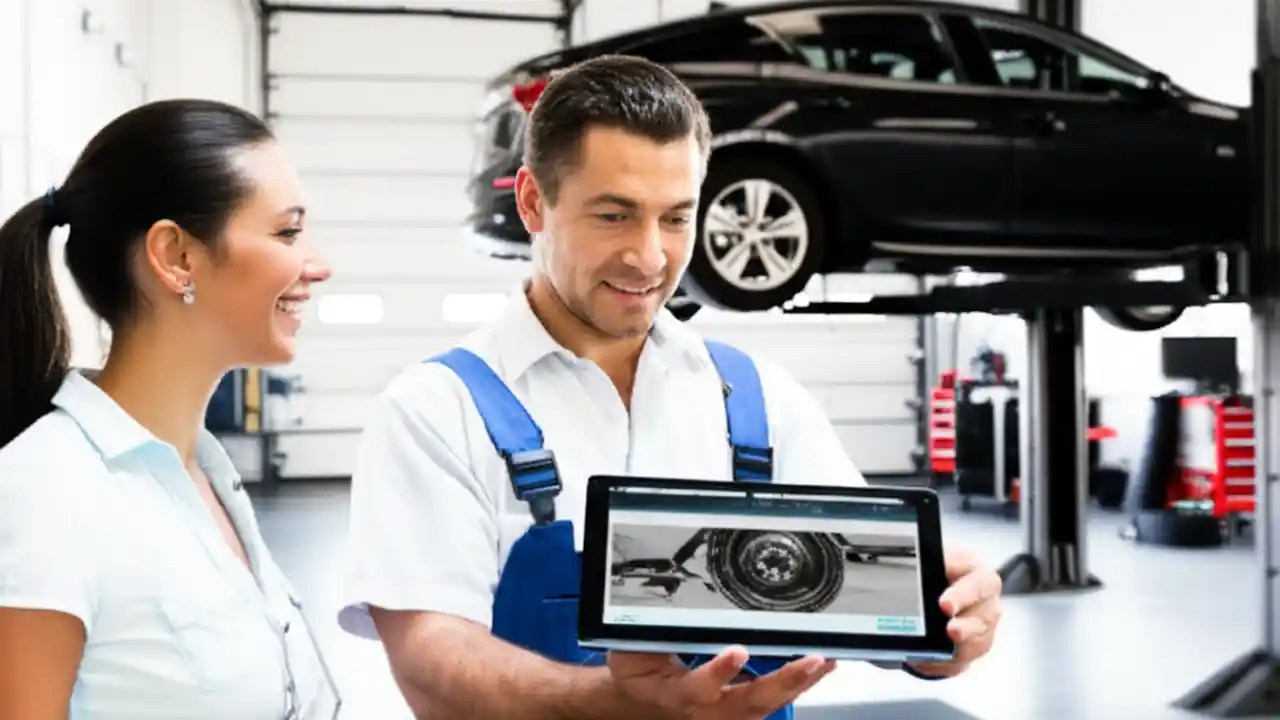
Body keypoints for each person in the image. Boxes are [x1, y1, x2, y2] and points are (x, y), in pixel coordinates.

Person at [339, 55, 1002, 720]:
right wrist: (611, 705)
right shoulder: (434, 412)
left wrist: (942, 626)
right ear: (533, 202)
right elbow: (431, 662)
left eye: (676, 217)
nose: (650, 257)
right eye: (614, 216)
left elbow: (868, 594)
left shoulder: (757, 400)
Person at [0, 99, 340, 719]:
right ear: (177, 257)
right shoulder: (45, 491)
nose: (318, 264)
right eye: (287, 232)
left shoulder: (204, 475)